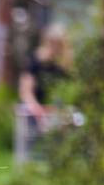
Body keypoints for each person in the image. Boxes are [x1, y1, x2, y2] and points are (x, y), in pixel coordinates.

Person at [16, 22, 72, 159]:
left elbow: (68, 92)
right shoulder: (35, 61)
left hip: (57, 114)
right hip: (35, 114)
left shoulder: (63, 65)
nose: (55, 48)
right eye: (53, 43)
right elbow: (25, 90)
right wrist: (37, 110)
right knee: (35, 153)